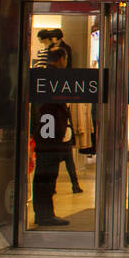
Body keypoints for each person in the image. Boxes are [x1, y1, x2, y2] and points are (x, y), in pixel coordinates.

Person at [30, 48, 73, 227]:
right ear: (62, 59)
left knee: (43, 174)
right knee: (46, 175)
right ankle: (45, 214)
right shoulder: (55, 78)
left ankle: (43, 213)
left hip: (44, 135)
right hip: (50, 136)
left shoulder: (42, 76)